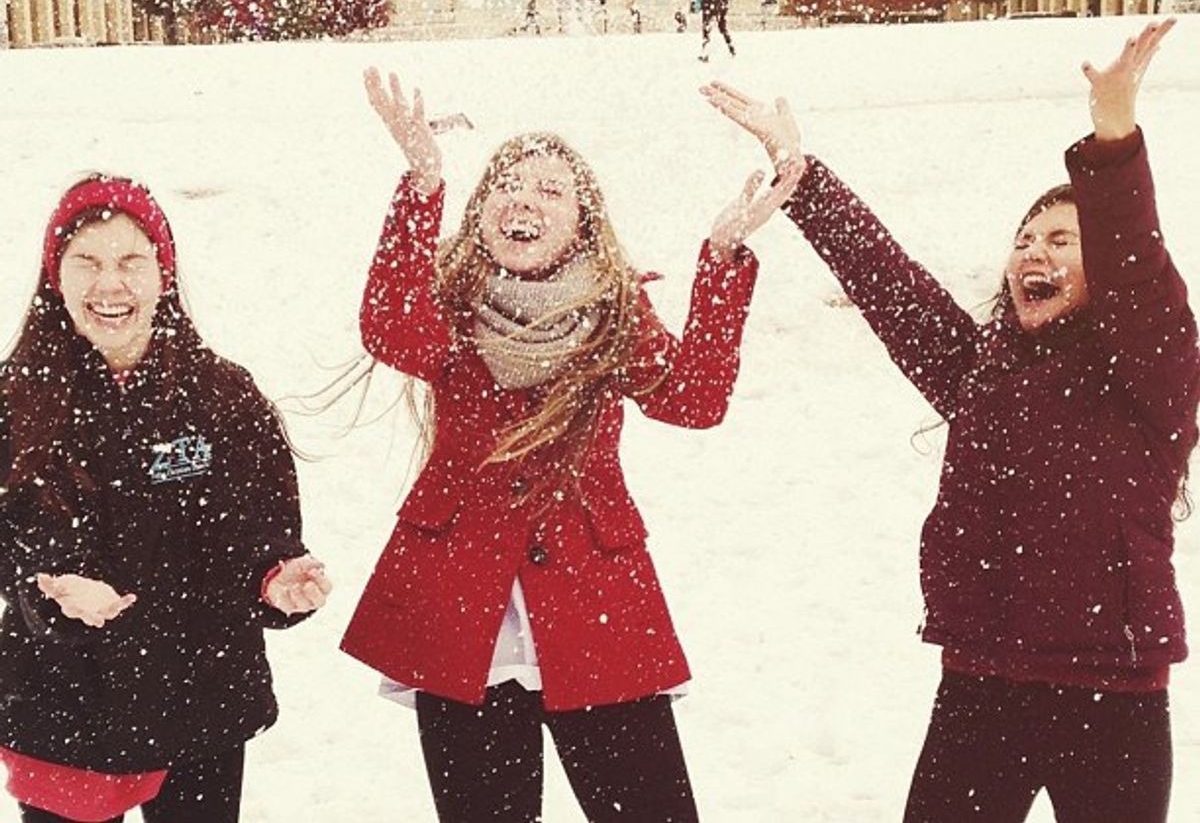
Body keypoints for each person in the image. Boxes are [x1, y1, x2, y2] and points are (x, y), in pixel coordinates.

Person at [702, 19, 1197, 823]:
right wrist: (804, 178)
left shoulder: (1152, 376)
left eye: (1064, 240)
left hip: (1112, 686)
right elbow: (894, 290)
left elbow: (1141, 269)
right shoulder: (985, 374)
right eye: (1026, 239)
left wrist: (1113, 139)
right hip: (982, 681)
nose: (1034, 253)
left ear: (1106, 264)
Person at [341, 68, 800, 823]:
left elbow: (693, 400)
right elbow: (388, 326)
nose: (523, 198)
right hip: (462, 607)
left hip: (595, 604)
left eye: (551, 190)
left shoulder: (614, 313)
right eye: (507, 186)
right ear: (482, 210)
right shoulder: (450, 313)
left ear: (584, 223)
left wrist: (720, 261)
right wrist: (423, 184)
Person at [0, 175, 331, 823]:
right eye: (87, 262)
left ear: (163, 270)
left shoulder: (223, 396)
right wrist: (53, 589)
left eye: (130, 260)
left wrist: (277, 580)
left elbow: (265, 537)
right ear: (54, 274)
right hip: (66, 703)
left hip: (199, 700)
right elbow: (13, 547)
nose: (110, 284)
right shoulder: (17, 401)